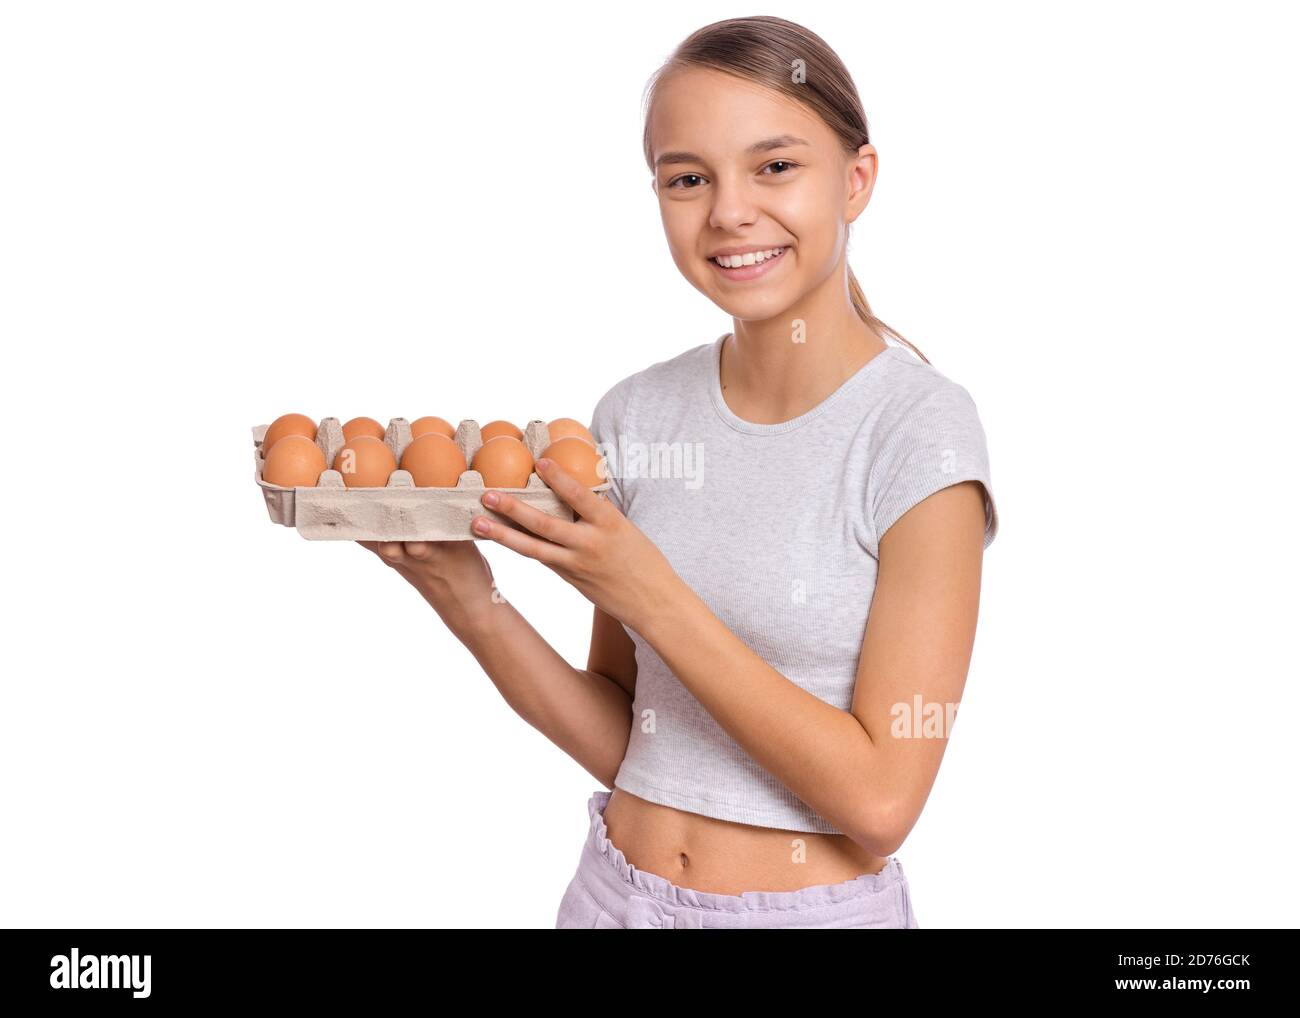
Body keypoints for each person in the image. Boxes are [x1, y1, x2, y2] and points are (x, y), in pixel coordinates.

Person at [360, 15, 999, 929]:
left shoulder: (920, 432)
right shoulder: (638, 415)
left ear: (856, 180)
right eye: (687, 178)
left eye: (775, 165)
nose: (729, 211)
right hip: (611, 895)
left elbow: (882, 802)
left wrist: (647, 588)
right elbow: (631, 740)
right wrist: (469, 597)